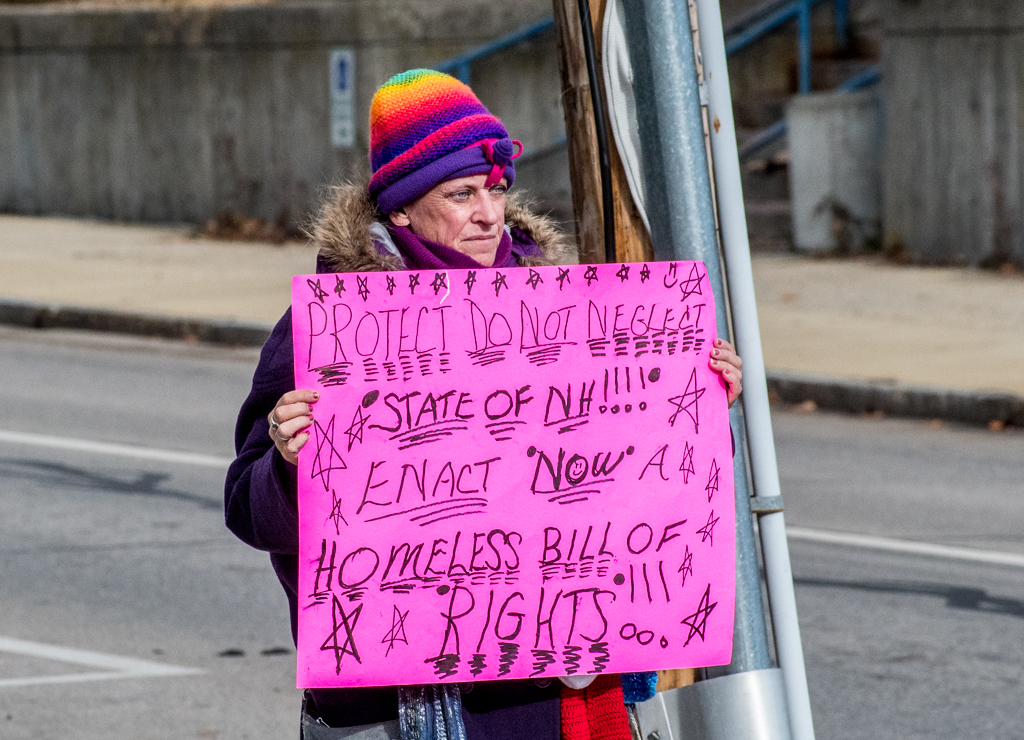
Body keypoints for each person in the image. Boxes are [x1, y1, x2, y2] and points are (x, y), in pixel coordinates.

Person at [224, 69, 743, 740]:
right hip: (408, 705)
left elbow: (638, 491)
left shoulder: (570, 319)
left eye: (496, 189)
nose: (488, 213)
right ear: (402, 209)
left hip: (557, 698)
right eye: (461, 193)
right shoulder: (330, 333)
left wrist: (695, 405)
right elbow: (248, 509)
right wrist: (293, 465)